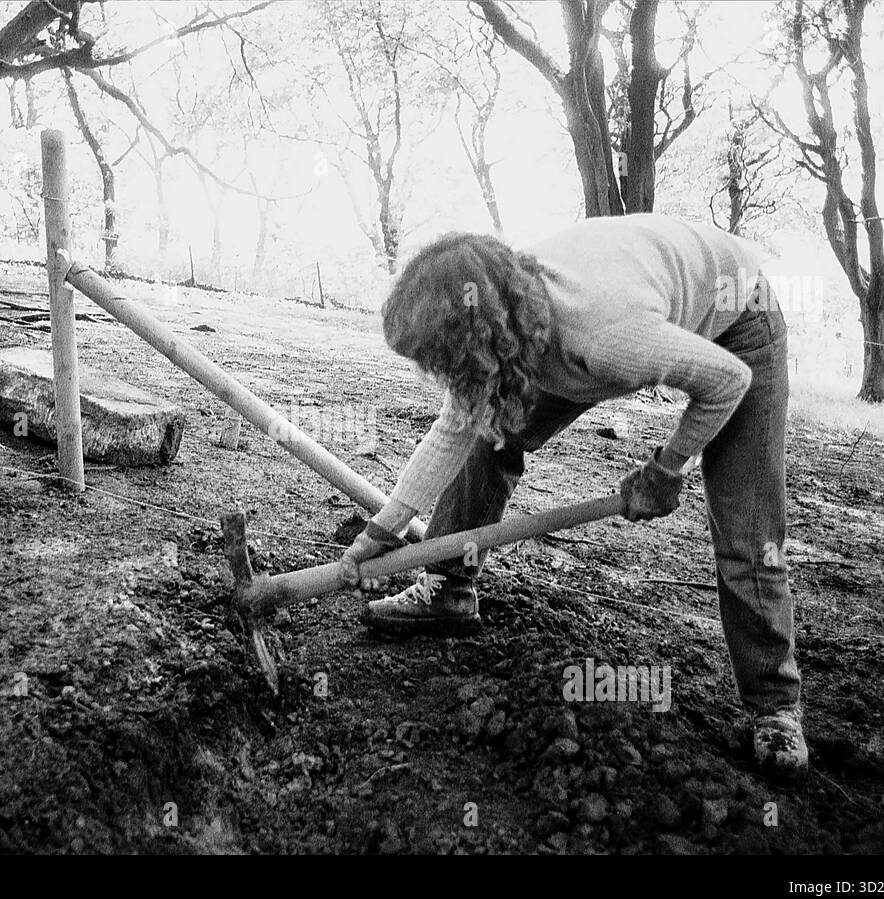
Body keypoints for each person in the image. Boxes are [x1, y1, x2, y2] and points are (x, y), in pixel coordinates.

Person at [338, 216, 808, 780]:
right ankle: (447, 588)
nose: (435, 372)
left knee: (747, 531)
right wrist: (379, 533)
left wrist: (667, 467)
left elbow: (726, 380)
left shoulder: (602, 335)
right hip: (630, 305)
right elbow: (454, 432)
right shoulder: (505, 319)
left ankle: (774, 707)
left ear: (476, 341)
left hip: (740, 321)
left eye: (440, 359)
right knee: (490, 438)